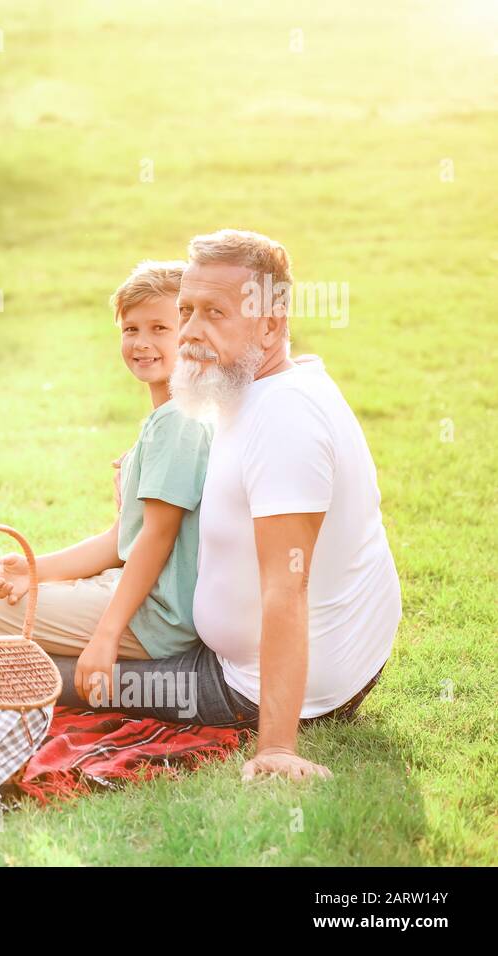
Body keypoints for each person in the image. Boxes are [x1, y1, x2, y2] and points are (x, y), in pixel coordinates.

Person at [54, 229, 400, 784]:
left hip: (248, 685)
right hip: (250, 655)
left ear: (270, 323)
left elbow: (287, 588)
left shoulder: (287, 420)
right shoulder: (254, 387)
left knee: (40, 675)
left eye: (213, 313)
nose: (189, 332)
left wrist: (278, 748)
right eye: (186, 310)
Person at [0, 261, 212, 703]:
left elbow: (157, 538)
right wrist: (34, 569)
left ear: (190, 333)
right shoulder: (167, 417)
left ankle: (100, 679)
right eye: (130, 329)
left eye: (160, 328)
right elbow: (121, 538)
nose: (141, 343)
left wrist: (105, 636)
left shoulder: (180, 421)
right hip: (140, 598)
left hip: (158, 618)